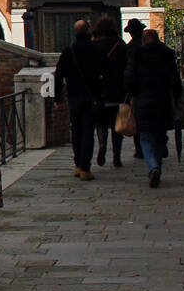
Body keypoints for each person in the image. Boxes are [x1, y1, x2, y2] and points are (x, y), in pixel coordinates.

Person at [125, 29, 182, 188]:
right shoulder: (167, 55)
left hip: (142, 101)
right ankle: (157, 165)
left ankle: (153, 166)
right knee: (160, 136)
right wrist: (176, 98)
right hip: (163, 102)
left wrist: (132, 93)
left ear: (143, 40)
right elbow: (175, 81)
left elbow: (129, 79)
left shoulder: (136, 55)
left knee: (145, 137)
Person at [54, 19, 103, 180]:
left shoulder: (69, 50)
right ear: (88, 31)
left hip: (73, 96)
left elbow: (59, 74)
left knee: (76, 130)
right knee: (88, 131)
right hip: (91, 95)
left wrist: (57, 97)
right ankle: (85, 168)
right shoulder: (95, 49)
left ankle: (77, 165)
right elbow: (104, 71)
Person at [91, 16, 128, 169]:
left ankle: (102, 145)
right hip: (118, 91)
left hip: (100, 91)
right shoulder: (120, 45)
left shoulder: (93, 46)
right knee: (116, 125)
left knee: (101, 123)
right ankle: (116, 157)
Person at [123, 18, 146, 159]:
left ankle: (140, 149)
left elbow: (129, 71)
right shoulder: (153, 47)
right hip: (155, 89)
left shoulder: (130, 48)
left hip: (137, 90)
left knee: (137, 119)